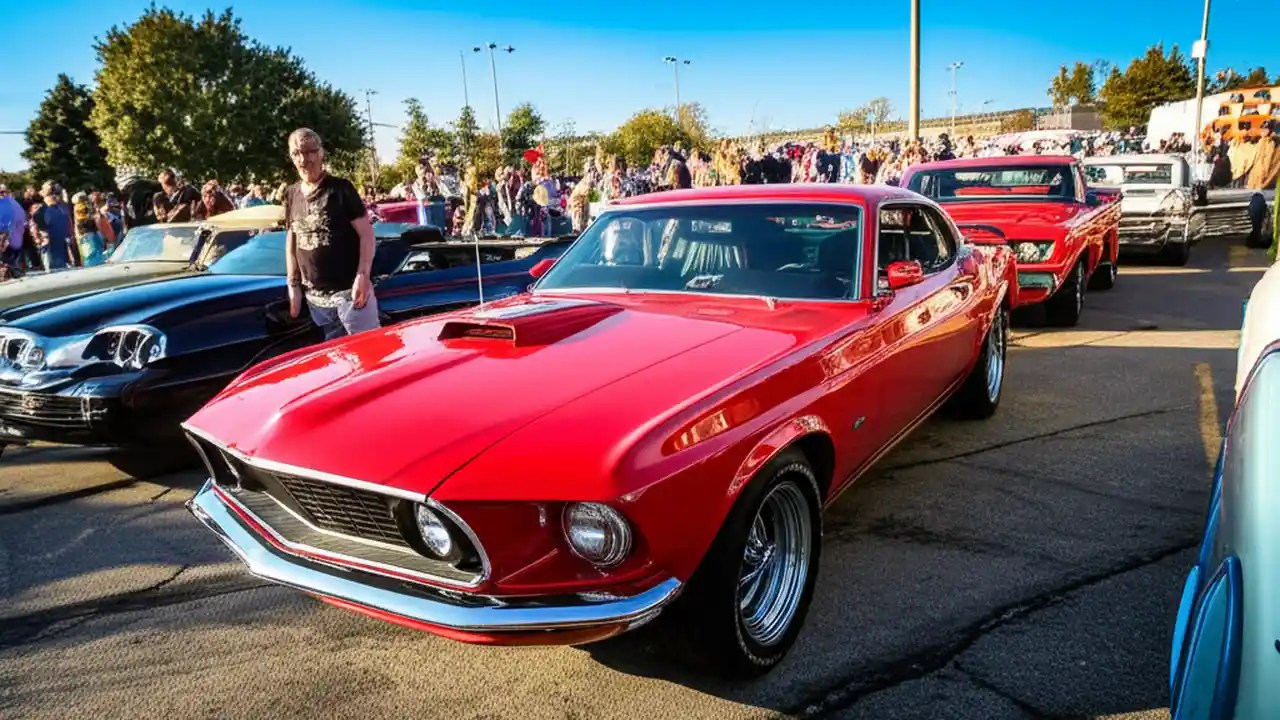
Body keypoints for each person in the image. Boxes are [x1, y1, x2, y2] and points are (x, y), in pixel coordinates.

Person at [283, 127, 380, 340]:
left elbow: (366, 234)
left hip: (350, 297)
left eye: (309, 151)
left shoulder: (341, 189)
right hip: (316, 302)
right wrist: (293, 285)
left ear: (320, 153)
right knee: (335, 365)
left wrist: (363, 275)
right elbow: (292, 240)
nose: (303, 159)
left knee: (367, 356)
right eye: (297, 153)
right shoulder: (291, 194)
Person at [31, 182, 81, 270]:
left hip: (63, 252)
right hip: (54, 252)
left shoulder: (61, 209)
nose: (54, 196)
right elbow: (40, 234)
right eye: (52, 194)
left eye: (56, 193)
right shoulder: (42, 212)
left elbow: (69, 227)